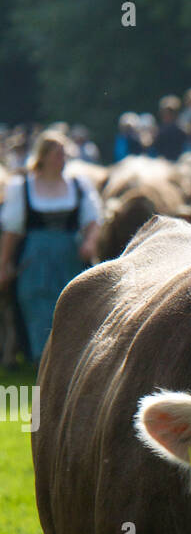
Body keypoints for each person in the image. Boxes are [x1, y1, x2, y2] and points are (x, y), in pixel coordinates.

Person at [0, 129, 101, 363]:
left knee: (71, 306)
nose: (62, 159)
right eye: (57, 154)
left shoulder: (78, 185)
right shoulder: (22, 187)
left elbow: (93, 221)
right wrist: (4, 264)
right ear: (42, 156)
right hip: (34, 259)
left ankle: (69, 362)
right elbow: (13, 231)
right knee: (36, 304)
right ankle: (42, 361)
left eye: (64, 154)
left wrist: (89, 242)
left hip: (69, 258)